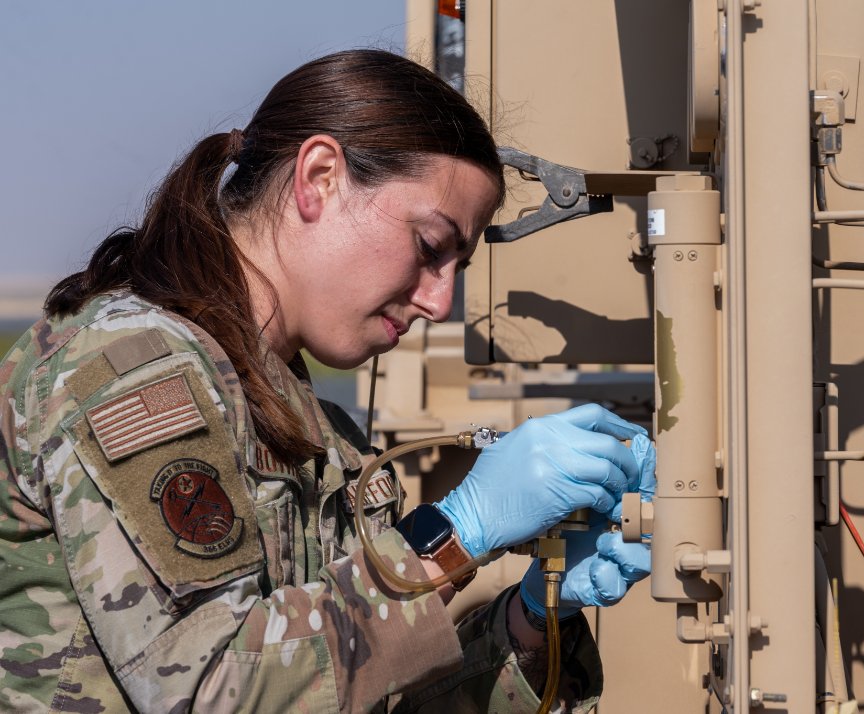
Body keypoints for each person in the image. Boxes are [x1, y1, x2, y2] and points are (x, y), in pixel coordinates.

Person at [0, 49, 654, 713]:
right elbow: (214, 691)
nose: (437, 302)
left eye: (456, 268)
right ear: (319, 177)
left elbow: (347, 691)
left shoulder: (316, 434)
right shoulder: (134, 371)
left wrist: (532, 619)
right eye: (430, 247)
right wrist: (456, 533)